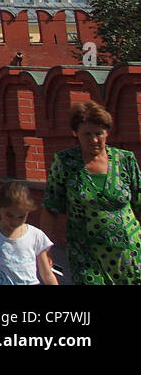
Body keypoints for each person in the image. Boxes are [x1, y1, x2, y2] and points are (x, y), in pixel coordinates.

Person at [41, 99, 141, 285]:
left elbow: (139, 203)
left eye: (99, 134)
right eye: (87, 134)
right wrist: (44, 249)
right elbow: (51, 207)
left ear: (107, 133)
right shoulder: (65, 162)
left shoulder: (125, 160)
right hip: (86, 253)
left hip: (129, 252)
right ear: (75, 133)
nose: (94, 140)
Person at [0, 181, 58, 285]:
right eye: (9, 215)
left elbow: (47, 274)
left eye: (21, 216)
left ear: (29, 211)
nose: (15, 222)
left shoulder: (36, 235)